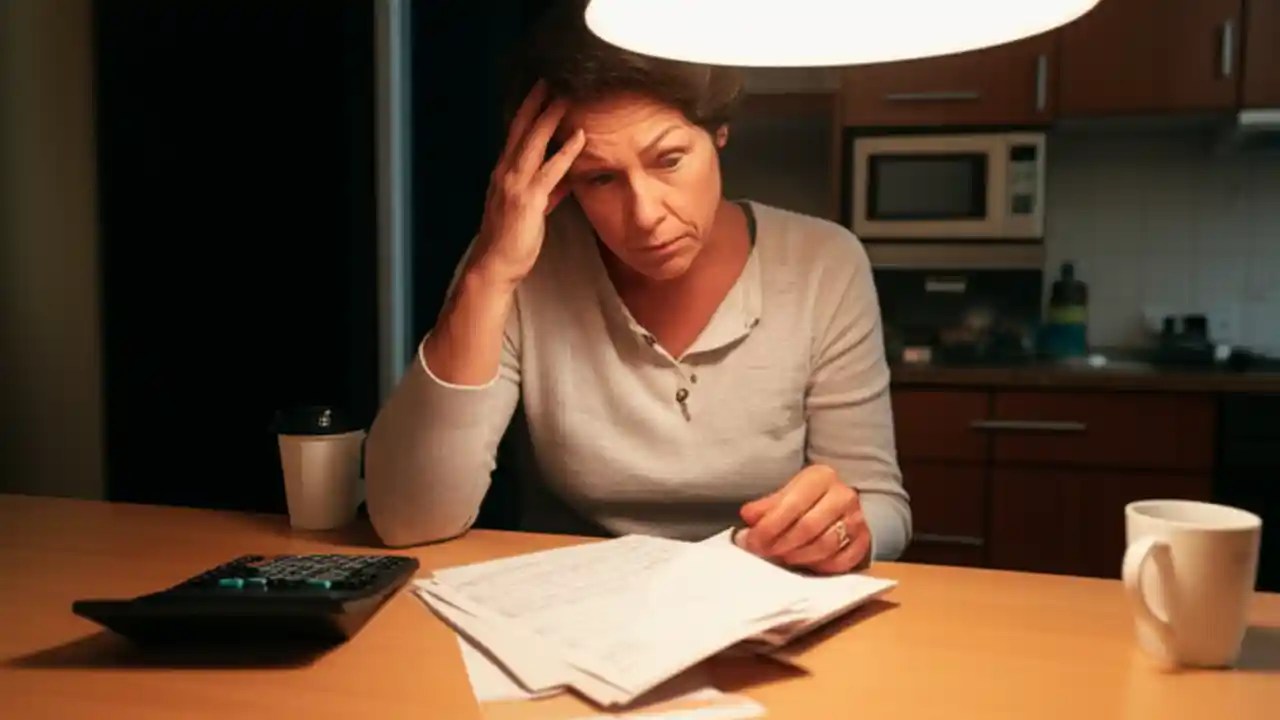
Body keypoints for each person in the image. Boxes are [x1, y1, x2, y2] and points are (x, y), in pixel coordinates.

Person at [364, 1, 910, 574]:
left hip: (766, 601)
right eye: (600, 178)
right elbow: (410, 519)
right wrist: (490, 273)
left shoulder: (823, 262)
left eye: (669, 160)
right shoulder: (521, 266)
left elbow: (883, 507)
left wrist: (845, 529)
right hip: (573, 609)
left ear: (719, 131)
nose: (646, 215)